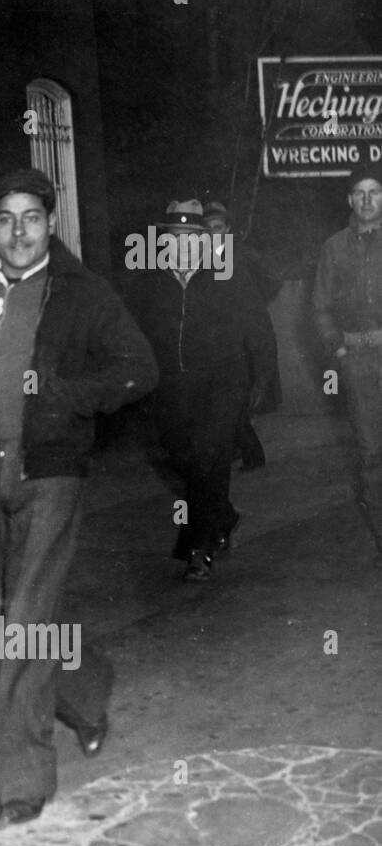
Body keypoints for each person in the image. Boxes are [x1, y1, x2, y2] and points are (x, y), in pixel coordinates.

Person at [0, 168, 157, 825]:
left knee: (21, 627)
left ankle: (23, 782)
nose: (19, 231)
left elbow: (140, 368)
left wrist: (68, 396)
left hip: (49, 471)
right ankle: (83, 694)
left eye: (32, 216)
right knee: (6, 623)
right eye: (6, 218)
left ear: (50, 223)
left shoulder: (83, 293)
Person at [137, 199, 276, 582]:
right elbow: (139, 334)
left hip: (223, 384)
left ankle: (198, 549)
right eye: (175, 237)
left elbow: (257, 325)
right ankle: (224, 517)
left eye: (191, 237)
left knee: (207, 460)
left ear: (202, 240)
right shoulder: (154, 279)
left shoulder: (226, 274)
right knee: (184, 460)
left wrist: (263, 376)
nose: (182, 244)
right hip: (173, 390)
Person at [312, 169, 382, 558]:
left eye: (375, 192)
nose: (368, 200)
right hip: (358, 361)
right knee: (371, 450)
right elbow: (320, 307)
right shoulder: (334, 248)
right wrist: (338, 350)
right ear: (350, 201)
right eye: (360, 193)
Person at [202, 200, 279, 471]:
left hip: (247, 335)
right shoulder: (204, 260)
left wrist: (256, 303)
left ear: (228, 228)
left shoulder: (243, 254)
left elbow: (273, 279)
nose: (214, 233)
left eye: (218, 227)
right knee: (230, 397)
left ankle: (248, 451)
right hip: (222, 336)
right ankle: (248, 452)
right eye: (209, 228)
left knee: (239, 396)